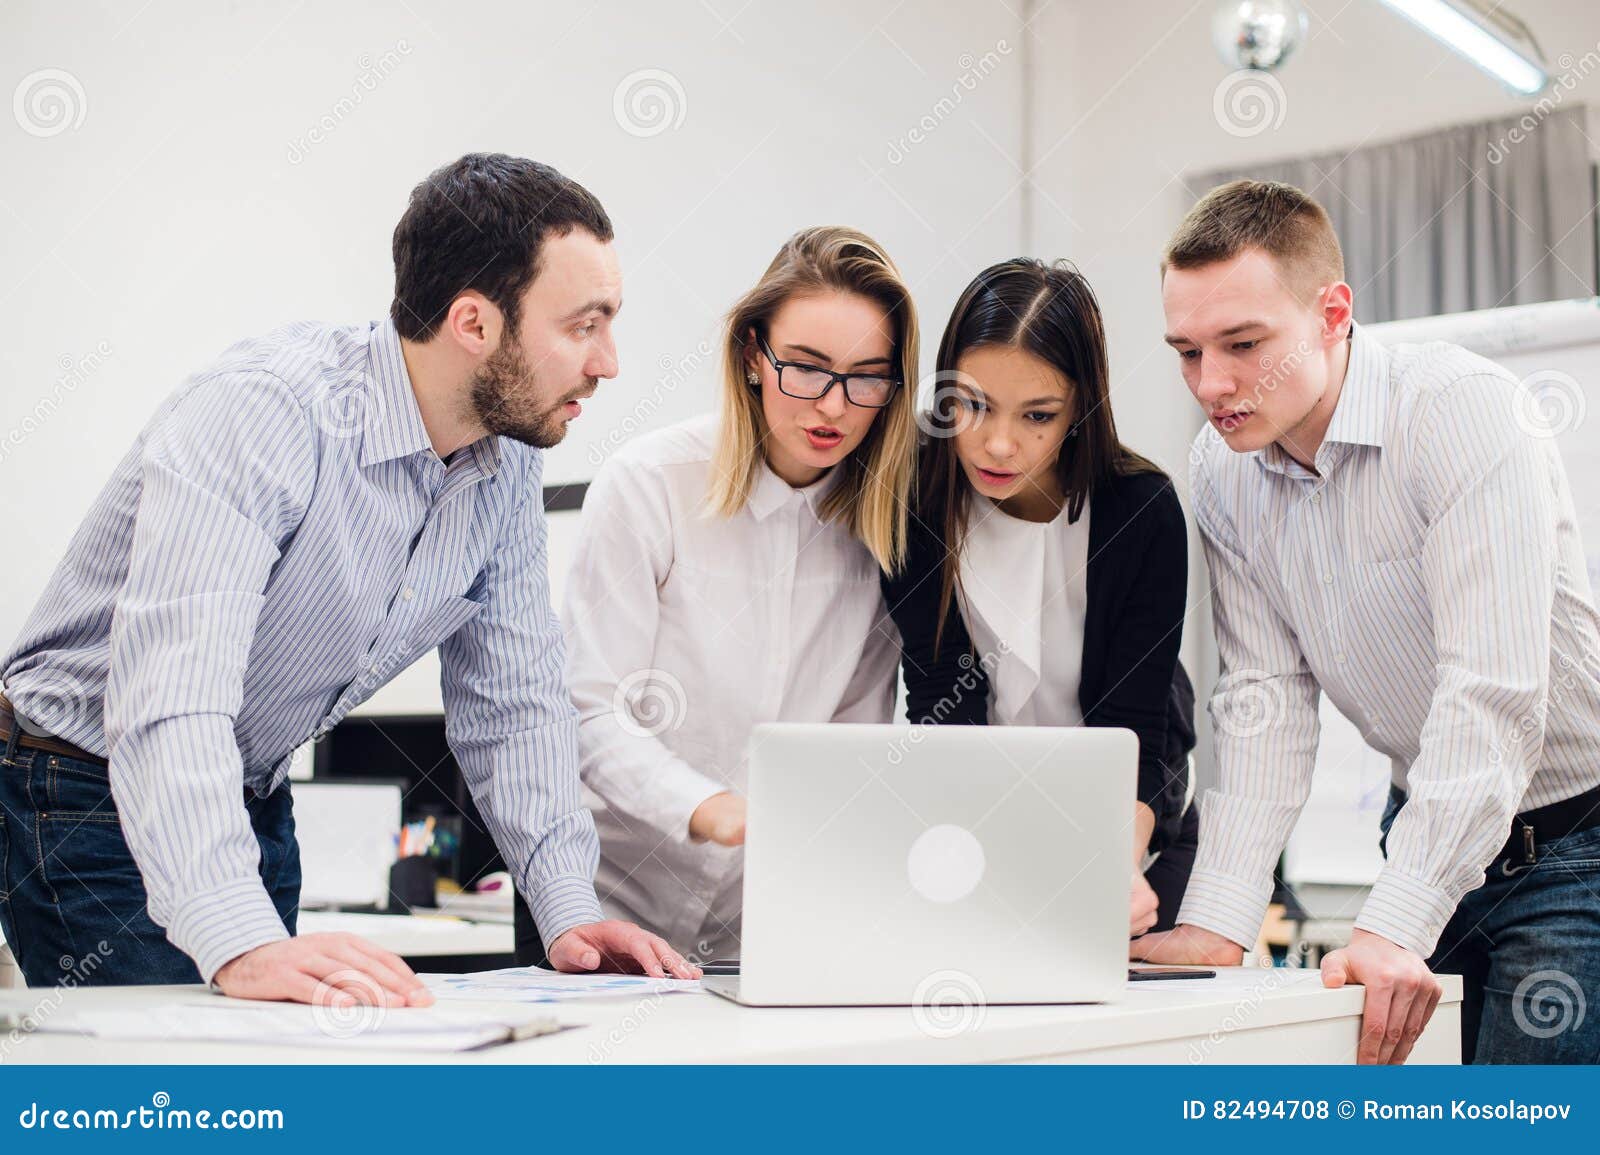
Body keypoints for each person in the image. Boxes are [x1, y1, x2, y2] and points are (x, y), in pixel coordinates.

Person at [0, 153, 701, 1007]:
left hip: (249, 791)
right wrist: (238, 934)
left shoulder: (504, 461)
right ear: (474, 323)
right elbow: (170, 697)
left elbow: (513, 697)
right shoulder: (262, 413)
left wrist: (566, 909)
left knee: (273, 1072)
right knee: (182, 1090)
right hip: (83, 784)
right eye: (584, 326)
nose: (610, 362)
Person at [1135, 178, 1600, 1065]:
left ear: (1333, 312)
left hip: (1575, 843)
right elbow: (1267, 697)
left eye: (1243, 344)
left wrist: (1395, 918)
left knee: (1523, 1129)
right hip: (1425, 828)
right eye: (1187, 351)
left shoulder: (1462, 411)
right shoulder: (1221, 468)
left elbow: (1492, 694)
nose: (1211, 383)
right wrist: (1217, 917)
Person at [512, 226, 916, 964]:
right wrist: (709, 808)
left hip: (762, 929)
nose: (833, 405)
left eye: (867, 376)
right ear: (753, 356)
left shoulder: (885, 524)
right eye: (806, 368)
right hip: (611, 913)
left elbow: (855, 743)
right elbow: (590, 710)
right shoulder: (652, 484)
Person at [881, 258, 1198, 940]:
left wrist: (1111, 868)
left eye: (1038, 416)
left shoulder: (1141, 511)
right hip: (991, 817)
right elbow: (943, 700)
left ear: (1080, 410)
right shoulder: (913, 504)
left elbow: (1136, 728)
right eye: (972, 404)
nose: (998, 443)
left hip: (1135, 823)